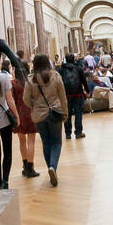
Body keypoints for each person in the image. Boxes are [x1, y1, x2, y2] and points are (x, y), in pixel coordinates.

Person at [24, 53, 67, 187]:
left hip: (39, 115)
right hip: (54, 113)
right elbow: (62, 96)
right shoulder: (55, 77)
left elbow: (26, 99)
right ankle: (52, 167)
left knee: (46, 143)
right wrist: (65, 113)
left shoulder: (30, 80)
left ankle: (50, 167)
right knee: (57, 143)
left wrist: (35, 106)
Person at [10, 63, 39, 176]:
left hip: (18, 114)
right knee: (31, 141)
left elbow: (11, 100)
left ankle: (25, 165)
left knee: (22, 141)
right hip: (30, 113)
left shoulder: (13, 83)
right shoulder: (31, 82)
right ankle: (30, 168)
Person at [58, 52, 89, 138]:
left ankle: (68, 133)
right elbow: (84, 80)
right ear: (73, 59)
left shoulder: (61, 69)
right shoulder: (78, 68)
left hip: (66, 95)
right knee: (78, 113)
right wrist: (87, 91)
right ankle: (78, 132)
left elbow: (58, 82)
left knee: (67, 113)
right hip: (78, 93)